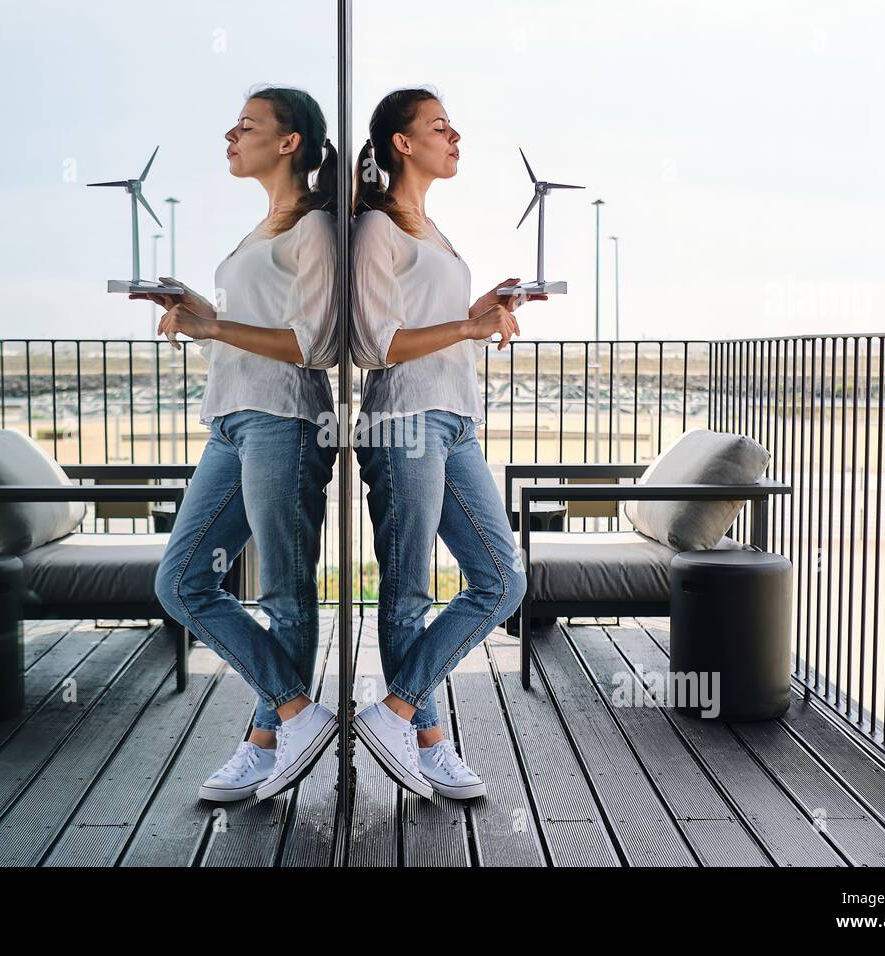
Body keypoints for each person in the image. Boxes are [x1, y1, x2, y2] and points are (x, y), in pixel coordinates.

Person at [145, 86, 339, 802]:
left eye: (248, 125)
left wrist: (215, 328)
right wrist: (204, 310)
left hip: (282, 419)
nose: (231, 134)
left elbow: (315, 344)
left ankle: (268, 738)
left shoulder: (314, 231)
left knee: (282, 594)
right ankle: (294, 714)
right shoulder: (263, 226)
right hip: (231, 417)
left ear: (289, 141)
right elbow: (255, 321)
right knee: (185, 580)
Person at [349, 87, 537, 799]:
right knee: (408, 595)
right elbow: (373, 346)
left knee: (500, 578)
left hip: (455, 419)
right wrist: (464, 328)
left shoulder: (432, 228)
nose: (456, 138)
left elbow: (428, 323)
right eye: (439, 127)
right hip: (404, 420)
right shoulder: (378, 231)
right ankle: (425, 741)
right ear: (402, 142)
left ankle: (394, 712)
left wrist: (477, 311)